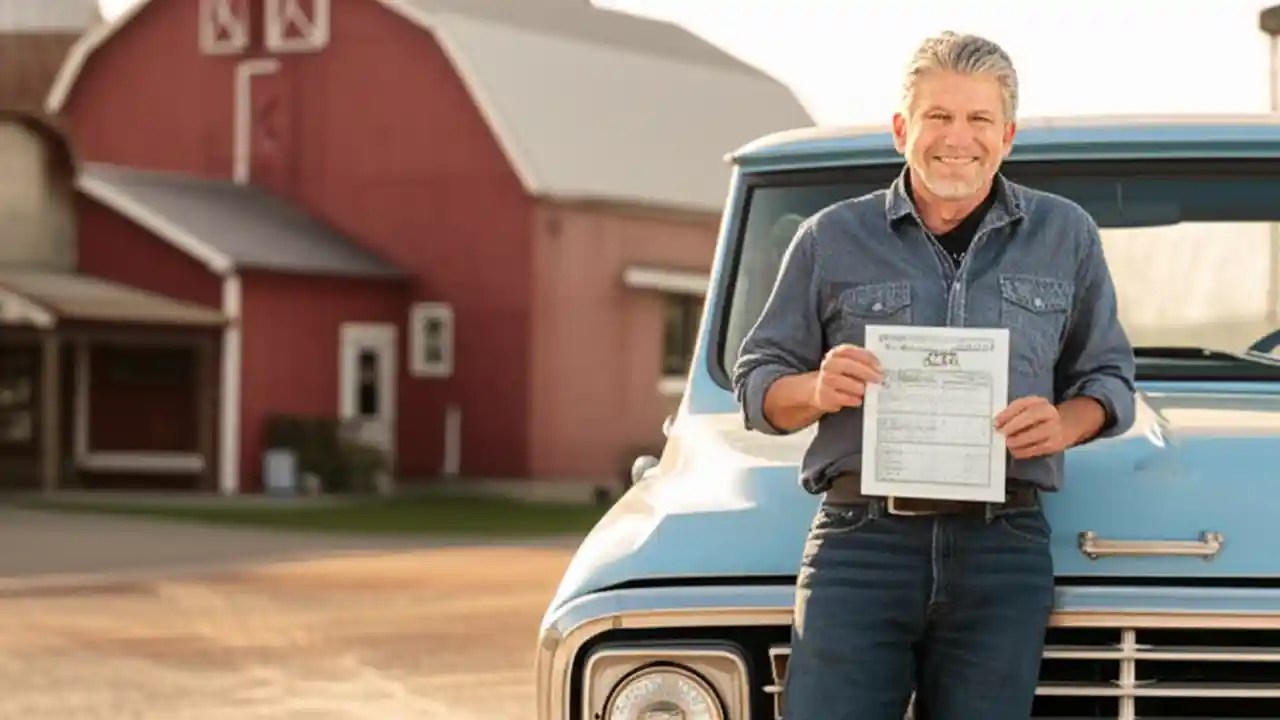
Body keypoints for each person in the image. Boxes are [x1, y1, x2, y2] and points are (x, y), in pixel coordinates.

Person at [731, 31, 1136, 720]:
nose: (959, 138)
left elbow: (1108, 379)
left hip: (1002, 545)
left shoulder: (1066, 235)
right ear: (902, 129)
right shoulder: (831, 238)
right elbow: (757, 382)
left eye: (979, 119)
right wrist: (816, 389)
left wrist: (1064, 423)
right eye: (938, 117)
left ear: (1006, 135)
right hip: (861, 543)